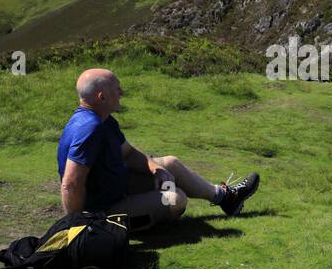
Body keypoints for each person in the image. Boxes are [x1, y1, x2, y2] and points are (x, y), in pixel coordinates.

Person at [57, 67, 260, 230]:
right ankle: (133, 223)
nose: (122, 93)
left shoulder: (104, 120)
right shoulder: (89, 129)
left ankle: (226, 198)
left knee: (169, 164)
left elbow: (128, 153)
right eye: (116, 89)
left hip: (118, 186)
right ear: (102, 97)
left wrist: (155, 169)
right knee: (176, 198)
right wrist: (78, 226)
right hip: (104, 209)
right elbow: (70, 184)